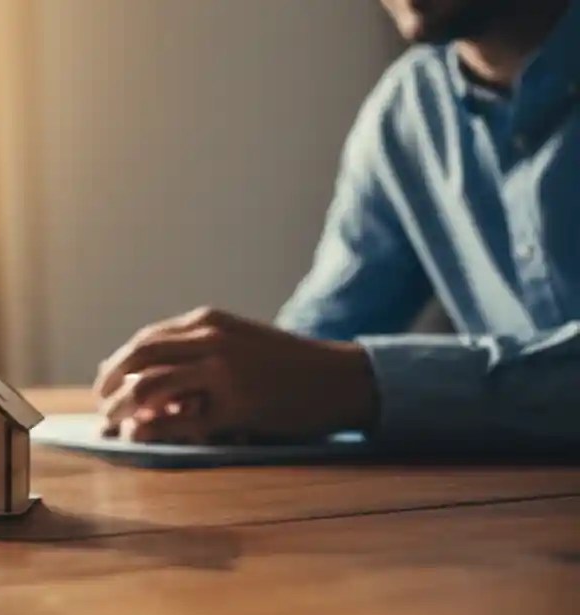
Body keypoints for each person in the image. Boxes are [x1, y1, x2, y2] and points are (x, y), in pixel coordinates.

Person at [94, 0, 579, 449]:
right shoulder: (410, 108)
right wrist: (214, 394)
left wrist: (357, 384)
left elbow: (331, 379)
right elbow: (318, 346)